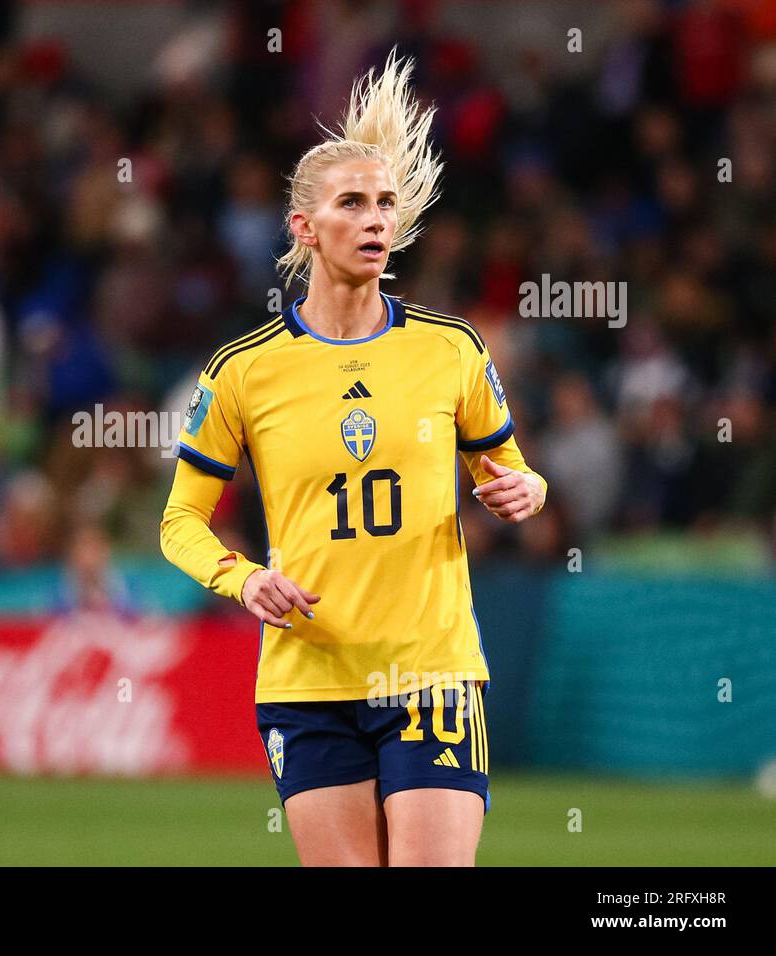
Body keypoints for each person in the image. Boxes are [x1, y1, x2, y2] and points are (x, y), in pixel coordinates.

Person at [160, 52, 548, 866]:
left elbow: (511, 470)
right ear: (304, 227)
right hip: (309, 680)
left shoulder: (449, 351)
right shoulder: (245, 371)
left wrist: (526, 490)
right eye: (352, 203)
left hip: (432, 671)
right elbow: (181, 523)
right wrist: (243, 577)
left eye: (385, 203)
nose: (376, 220)